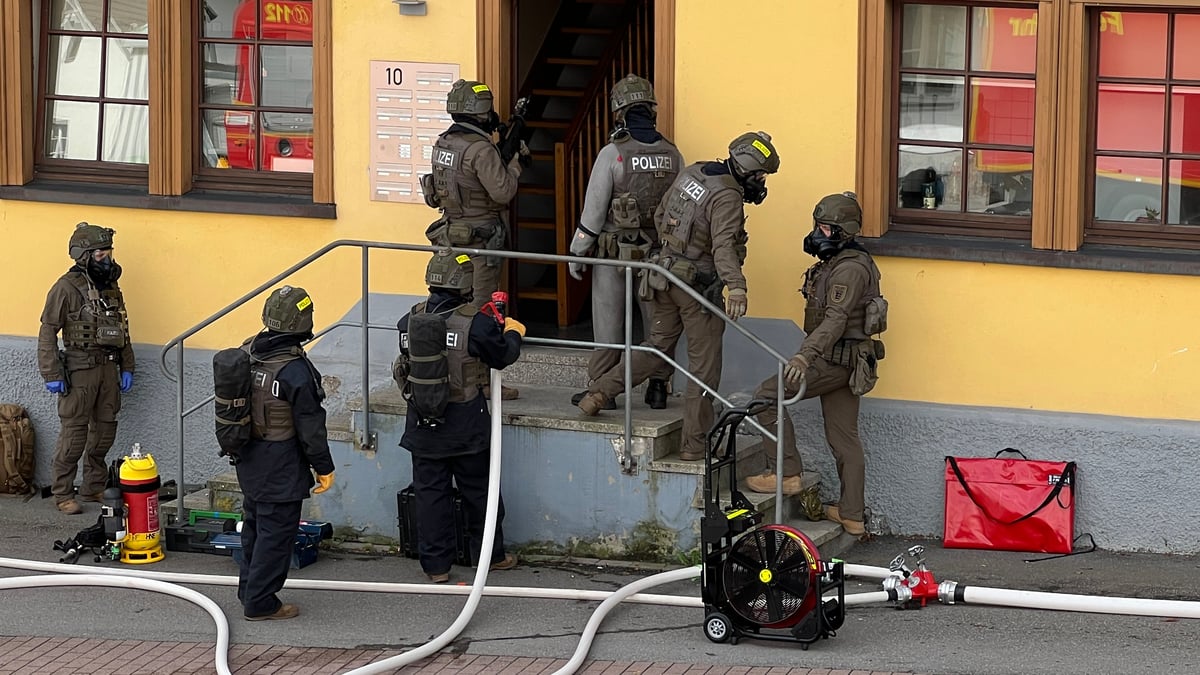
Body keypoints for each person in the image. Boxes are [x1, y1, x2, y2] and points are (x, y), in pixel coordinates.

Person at [577, 132, 780, 461]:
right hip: (697, 289)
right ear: (746, 170)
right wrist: (737, 286)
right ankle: (693, 446)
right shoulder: (728, 196)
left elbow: (660, 216)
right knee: (704, 369)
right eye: (760, 175)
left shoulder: (694, 172)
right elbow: (725, 247)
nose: (761, 182)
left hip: (664, 275)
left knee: (657, 347)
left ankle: (598, 393)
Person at [744, 193, 886, 537]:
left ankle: (787, 472)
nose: (817, 233)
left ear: (843, 231)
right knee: (844, 438)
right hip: (847, 361)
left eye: (824, 227)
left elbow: (835, 320)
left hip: (833, 361)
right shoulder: (843, 261)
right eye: (817, 225)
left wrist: (804, 356)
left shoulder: (849, 269)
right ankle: (852, 514)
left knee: (766, 395)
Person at [395, 250, 525, 583]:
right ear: (464, 282)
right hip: (465, 423)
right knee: (479, 492)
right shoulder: (474, 322)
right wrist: (513, 332)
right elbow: (502, 356)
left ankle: (436, 566)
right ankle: (490, 557)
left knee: (430, 496)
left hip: (423, 423)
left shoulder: (411, 317)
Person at [567, 74, 683, 411]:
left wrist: (578, 252)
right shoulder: (674, 154)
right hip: (656, 256)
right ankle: (659, 388)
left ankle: (603, 388)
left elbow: (593, 209)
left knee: (608, 323)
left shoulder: (613, 154)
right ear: (651, 109)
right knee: (658, 325)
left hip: (613, 254)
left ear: (619, 112)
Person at [234, 286, 336, 621]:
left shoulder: (248, 351)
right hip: (280, 460)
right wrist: (323, 467)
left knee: (254, 525)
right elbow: (310, 426)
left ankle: (249, 588)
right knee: (276, 533)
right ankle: (261, 602)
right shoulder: (294, 369)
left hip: (249, 455)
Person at [423, 78, 528, 400]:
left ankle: (454, 374)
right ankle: (481, 382)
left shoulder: (444, 143)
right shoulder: (480, 150)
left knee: (452, 309)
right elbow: (503, 191)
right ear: (481, 111)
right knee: (481, 311)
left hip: (452, 235)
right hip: (480, 240)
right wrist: (514, 164)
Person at [38, 223, 135, 515]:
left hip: (108, 368)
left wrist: (127, 365)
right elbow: (47, 332)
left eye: (108, 253)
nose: (107, 259)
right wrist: (52, 373)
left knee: (105, 431)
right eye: (100, 254)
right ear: (84, 255)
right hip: (80, 371)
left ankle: (94, 485)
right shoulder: (65, 288)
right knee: (74, 434)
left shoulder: (110, 287)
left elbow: (122, 328)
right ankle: (63, 492)